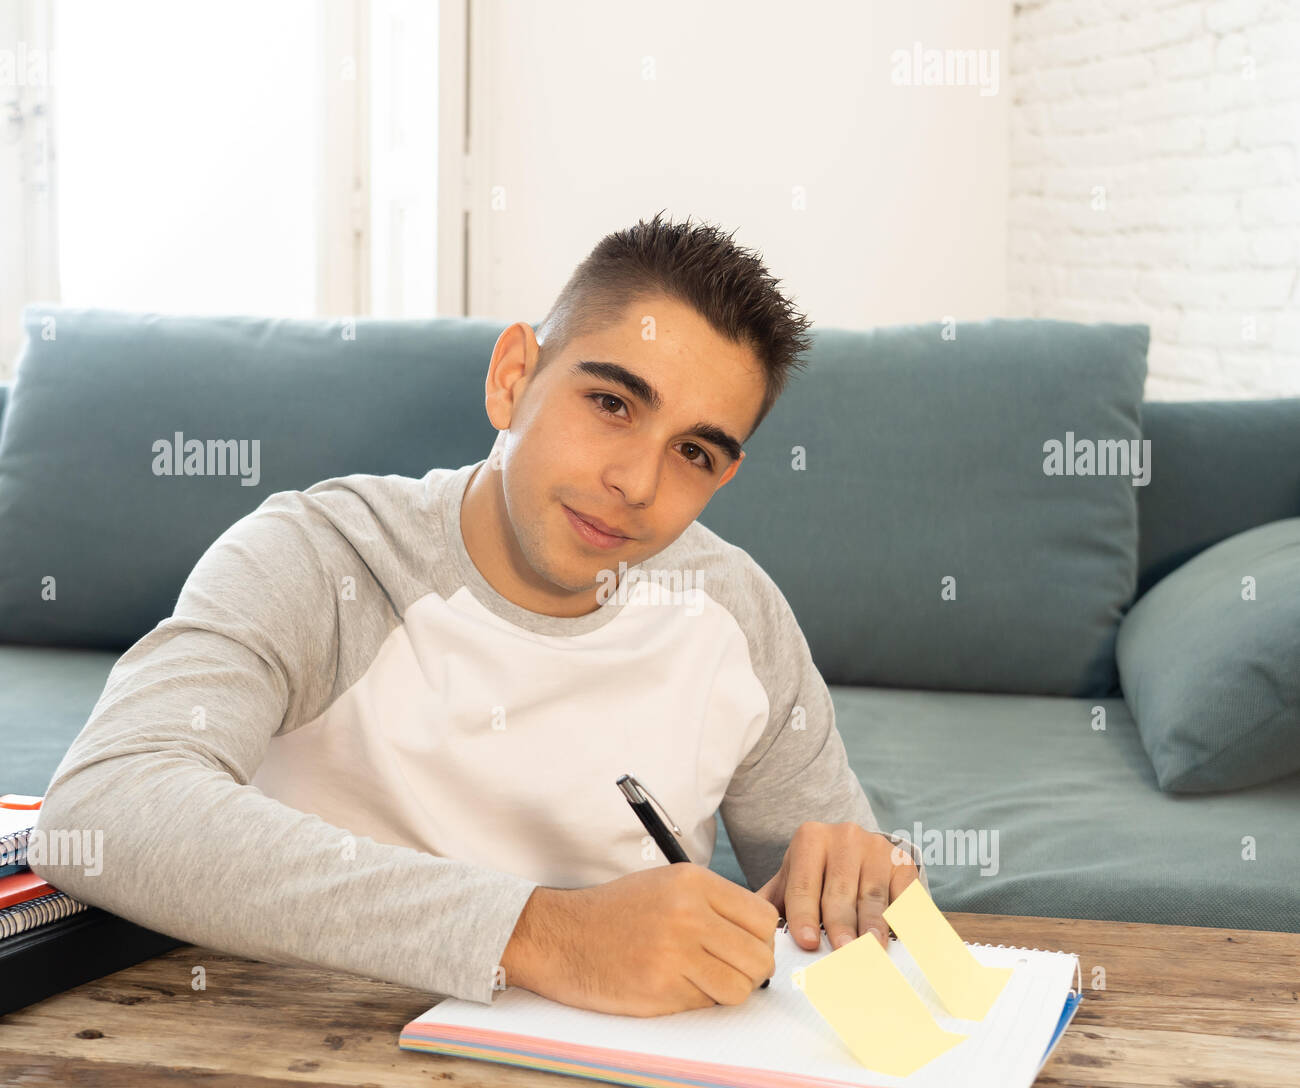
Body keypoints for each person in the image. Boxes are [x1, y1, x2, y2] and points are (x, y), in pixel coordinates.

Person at [34, 211, 928, 1017]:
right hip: (305, 1058)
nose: (637, 484)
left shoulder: (735, 612)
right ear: (513, 378)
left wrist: (862, 882)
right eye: (612, 403)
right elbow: (104, 806)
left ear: (722, 476)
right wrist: (543, 935)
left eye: (693, 452)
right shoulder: (323, 556)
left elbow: (853, 922)